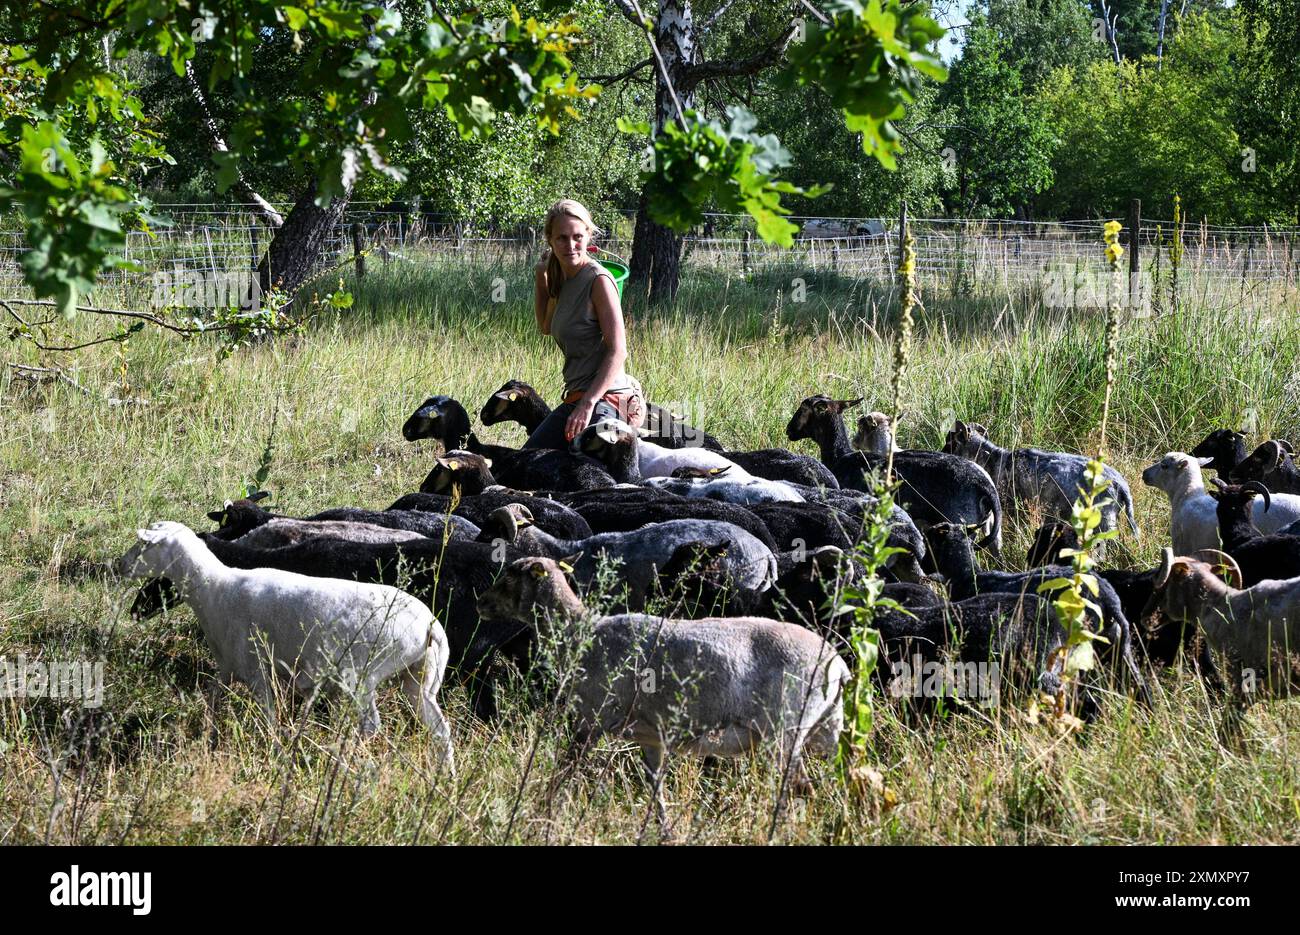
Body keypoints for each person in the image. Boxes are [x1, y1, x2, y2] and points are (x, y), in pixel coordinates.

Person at [525, 199, 645, 449]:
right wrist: (541, 277)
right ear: (550, 240)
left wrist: (587, 404)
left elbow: (618, 350)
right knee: (526, 463)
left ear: (588, 236)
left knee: (588, 473)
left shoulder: (599, 280)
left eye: (577, 236)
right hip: (576, 398)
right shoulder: (562, 278)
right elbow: (545, 327)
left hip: (606, 399)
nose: (570, 245)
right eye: (561, 238)